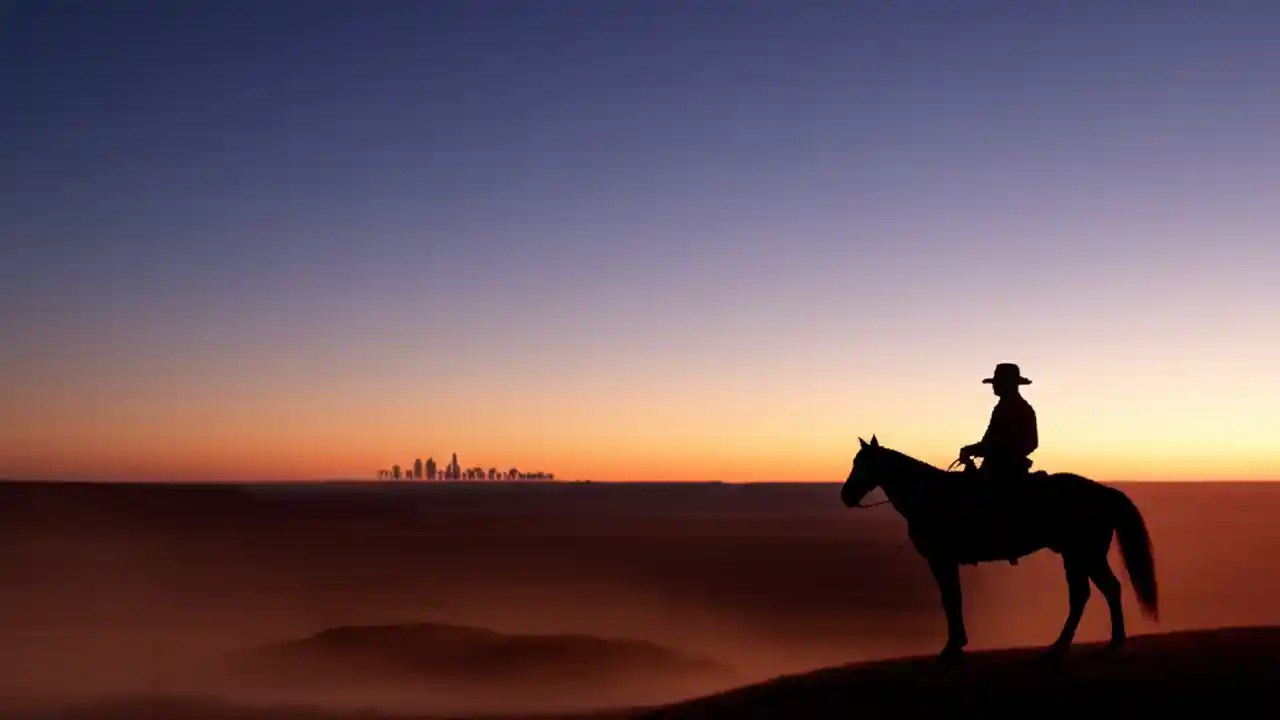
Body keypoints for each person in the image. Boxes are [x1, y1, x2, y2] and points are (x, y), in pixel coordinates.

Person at [957, 362, 1038, 563]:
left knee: (986, 496)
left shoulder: (1020, 409)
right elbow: (989, 442)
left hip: (1008, 468)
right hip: (996, 464)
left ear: (1009, 384)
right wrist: (973, 449)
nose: (994, 386)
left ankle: (1002, 541)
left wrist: (998, 452)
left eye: (998, 383)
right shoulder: (1003, 408)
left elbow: (1031, 442)